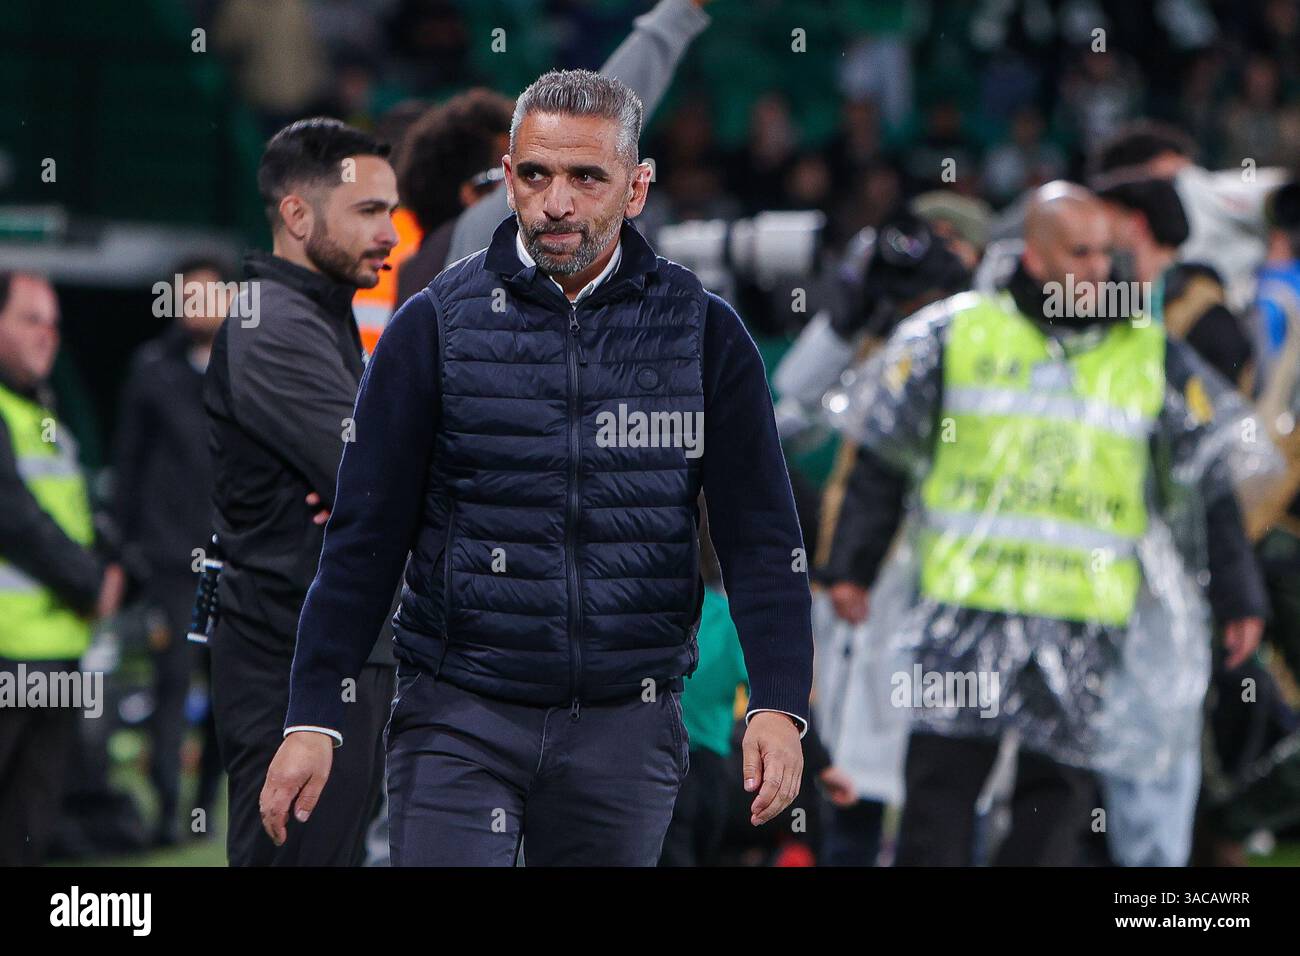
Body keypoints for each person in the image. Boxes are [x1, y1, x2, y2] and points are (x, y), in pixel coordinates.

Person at [260, 69, 814, 867]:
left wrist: (779, 703)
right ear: (510, 173)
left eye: (587, 176)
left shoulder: (705, 335)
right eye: (536, 174)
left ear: (636, 187)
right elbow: (362, 541)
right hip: (457, 717)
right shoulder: (433, 328)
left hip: (627, 724)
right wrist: (313, 714)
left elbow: (762, 539)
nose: (557, 201)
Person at [824, 183, 1267, 866]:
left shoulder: (1143, 349)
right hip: (964, 608)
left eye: (1104, 253)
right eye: (1079, 253)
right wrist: (852, 566)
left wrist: (1237, 596)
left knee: (1051, 816)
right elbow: (883, 457)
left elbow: (1208, 480)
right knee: (937, 805)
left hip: (1081, 615)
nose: (1097, 269)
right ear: (1032, 256)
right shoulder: (958, 332)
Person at [204, 118, 400, 866]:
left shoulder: (315, 313)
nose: (388, 233)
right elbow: (378, 477)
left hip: (327, 651)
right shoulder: (275, 323)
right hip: (291, 657)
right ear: (296, 215)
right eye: (369, 212)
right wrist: (374, 483)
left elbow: (370, 477)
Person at [0, 272, 125, 865]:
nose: (47, 334)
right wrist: (91, 579)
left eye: (53, 321)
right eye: (31, 318)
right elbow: (16, 517)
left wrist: (120, 563)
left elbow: (79, 512)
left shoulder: (45, 414)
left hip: (56, 651)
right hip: (9, 654)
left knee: (31, 826)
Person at [113, 255, 230, 846]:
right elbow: (128, 465)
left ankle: (205, 803)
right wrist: (121, 551)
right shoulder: (152, 370)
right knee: (169, 687)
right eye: (190, 296)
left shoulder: (251, 369)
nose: (199, 307)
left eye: (210, 295)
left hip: (234, 560)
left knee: (228, 694)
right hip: (169, 562)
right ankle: (164, 810)